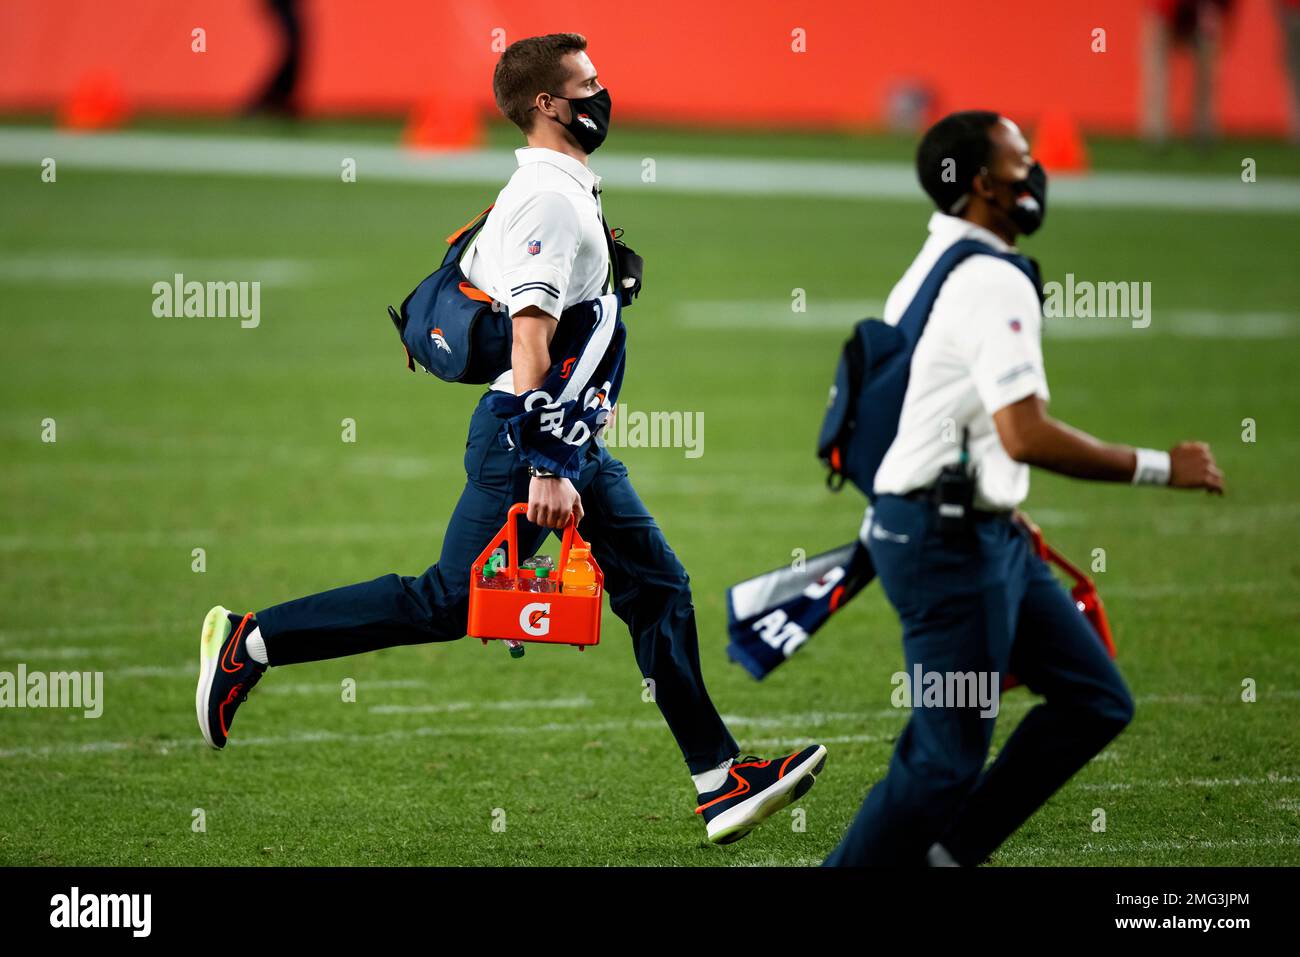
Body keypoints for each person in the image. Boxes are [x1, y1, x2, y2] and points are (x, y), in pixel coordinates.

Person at [196, 32, 826, 846]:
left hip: (566, 439)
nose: (603, 93)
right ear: (546, 104)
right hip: (530, 441)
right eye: (587, 83)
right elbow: (530, 343)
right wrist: (548, 462)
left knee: (658, 588)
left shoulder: (562, 189)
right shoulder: (548, 201)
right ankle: (250, 641)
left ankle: (719, 781)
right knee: (446, 600)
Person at [824, 111, 1224, 867]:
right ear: (982, 183)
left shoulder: (938, 258)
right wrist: (1162, 466)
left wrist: (997, 493)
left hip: (976, 528)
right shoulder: (991, 279)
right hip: (949, 544)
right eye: (1021, 158)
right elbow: (1025, 432)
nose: (1036, 170)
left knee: (1095, 699)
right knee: (943, 758)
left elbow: (934, 407)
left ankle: (947, 856)